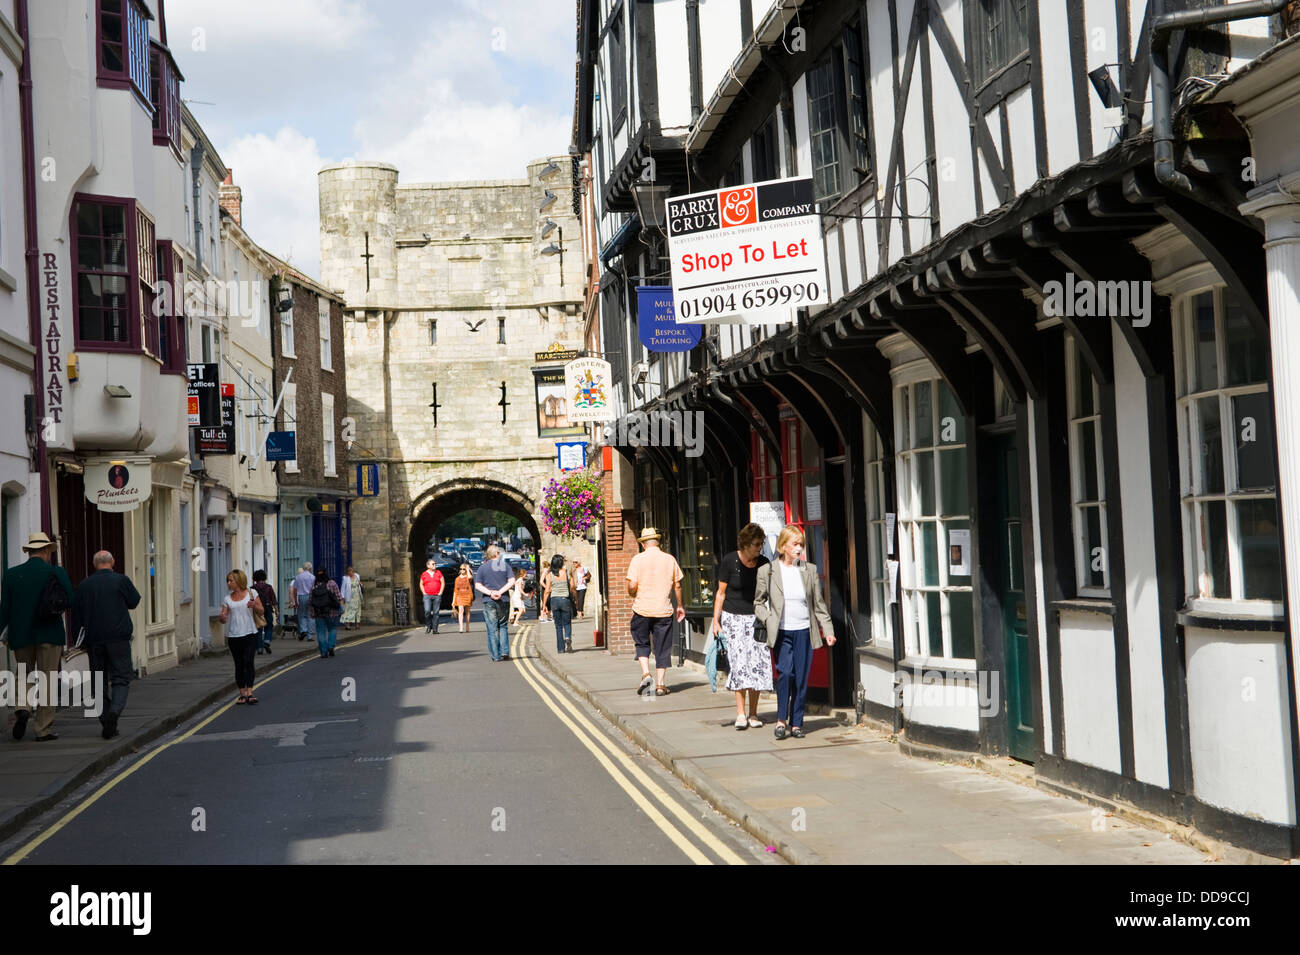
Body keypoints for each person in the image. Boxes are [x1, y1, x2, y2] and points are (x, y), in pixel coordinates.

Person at [753, 525, 835, 740]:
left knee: (800, 678)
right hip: (781, 632)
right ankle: (781, 719)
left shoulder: (808, 570)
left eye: (801, 545)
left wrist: (827, 630)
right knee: (785, 674)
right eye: (795, 544)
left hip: (804, 631)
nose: (799, 549)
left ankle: (796, 723)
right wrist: (769, 618)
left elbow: (818, 604)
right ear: (783, 546)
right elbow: (758, 602)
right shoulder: (767, 571)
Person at [0, 533, 74, 741]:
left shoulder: (12, 574)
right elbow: (70, 599)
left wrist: (2, 632)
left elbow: (4, 608)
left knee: (23, 674)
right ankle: (43, 729)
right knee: (48, 678)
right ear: (45, 551)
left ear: (29, 551)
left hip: (21, 634)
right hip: (50, 633)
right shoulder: (56, 572)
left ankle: (23, 708)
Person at [71, 551, 141, 739]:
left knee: (98, 682)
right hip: (118, 638)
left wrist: (80, 641)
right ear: (113, 562)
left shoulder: (84, 585)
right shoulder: (121, 580)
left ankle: (105, 717)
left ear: (95, 565)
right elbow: (134, 601)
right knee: (121, 677)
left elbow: (76, 616)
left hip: (94, 640)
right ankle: (114, 713)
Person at [711, 523, 773, 730]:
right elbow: (721, 593)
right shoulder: (730, 561)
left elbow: (770, 593)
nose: (760, 548)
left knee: (756, 665)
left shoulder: (764, 563)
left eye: (761, 544)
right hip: (733, 619)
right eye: (756, 544)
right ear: (746, 544)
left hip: (757, 620)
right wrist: (715, 620)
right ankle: (740, 713)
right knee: (739, 666)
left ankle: (754, 713)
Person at [625, 527, 685, 697]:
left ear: (643, 544)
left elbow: (631, 586)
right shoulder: (670, 559)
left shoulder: (637, 560)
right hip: (663, 611)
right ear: (657, 542)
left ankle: (646, 674)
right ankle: (660, 684)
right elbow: (678, 585)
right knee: (663, 647)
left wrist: (633, 591)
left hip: (642, 610)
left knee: (642, 643)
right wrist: (680, 605)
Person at [219, 570, 263, 704]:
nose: (228, 583)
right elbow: (223, 618)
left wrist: (254, 605)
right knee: (238, 664)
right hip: (233, 635)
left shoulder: (252, 593)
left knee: (248, 662)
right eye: (228, 580)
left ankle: (250, 692)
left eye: (231, 580)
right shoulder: (227, 599)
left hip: (249, 633)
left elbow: (261, 611)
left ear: (238, 581)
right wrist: (222, 617)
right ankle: (242, 693)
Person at [474, 545, 514, 662]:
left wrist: (491, 593)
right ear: (497, 554)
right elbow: (511, 581)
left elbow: (478, 585)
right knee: (503, 626)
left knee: (492, 629)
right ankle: (504, 651)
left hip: (489, 601)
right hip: (504, 600)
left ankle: (496, 656)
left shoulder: (482, 568)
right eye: (499, 553)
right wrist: (500, 592)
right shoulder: (505, 566)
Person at [540, 555, 573, 653]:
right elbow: (572, 586)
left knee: (558, 626)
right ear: (561, 563)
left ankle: (561, 649)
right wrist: (574, 598)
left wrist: (544, 605)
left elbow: (547, 591)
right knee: (567, 622)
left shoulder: (549, 575)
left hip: (554, 600)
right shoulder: (566, 573)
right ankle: (567, 637)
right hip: (565, 600)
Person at [308, 569, 343, 658]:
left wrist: (312, 613)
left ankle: (323, 652)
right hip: (332, 612)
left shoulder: (314, 585)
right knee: (332, 629)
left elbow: (311, 601)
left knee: (320, 632)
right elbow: (339, 597)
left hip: (319, 612)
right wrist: (341, 608)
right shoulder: (332, 583)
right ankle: (331, 646)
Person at [251, 569, 277, 654]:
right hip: (268, 608)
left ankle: (259, 648)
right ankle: (266, 642)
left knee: (258, 628)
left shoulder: (252, 588)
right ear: (264, 577)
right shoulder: (268, 587)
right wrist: (277, 611)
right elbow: (273, 600)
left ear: (255, 578)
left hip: (257, 610)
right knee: (269, 626)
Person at [420, 560, 444, 634]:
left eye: (435, 564)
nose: (435, 565)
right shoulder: (424, 574)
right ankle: (428, 625)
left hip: (437, 595)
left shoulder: (438, 573)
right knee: (427, 611)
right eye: (433, 564)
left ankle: (435, 629)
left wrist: (440, 593)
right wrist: (424, 593)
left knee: (436, 612)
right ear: (428, 566)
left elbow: (443, 582)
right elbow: (421, 584)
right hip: (427, 595)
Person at [292, 563, 315, 640]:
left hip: (301, 597)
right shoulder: (312, 577)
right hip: (311, 596)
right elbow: (314, 589)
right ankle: (310, 636)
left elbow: (295, 590)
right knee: (311, 615)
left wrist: (295, 600)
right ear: (310, 568)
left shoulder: (298, 577)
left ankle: (303, 630)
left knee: (302, 615)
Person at [451, 564, 473, 633]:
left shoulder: (468, 577)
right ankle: (461, 627)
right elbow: (455, 590)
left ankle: (467, 625)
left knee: (467, 612)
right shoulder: (457, 579)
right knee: (460, 610)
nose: (462, 570)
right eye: (461, 569)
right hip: (459, 596)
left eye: (464, 569)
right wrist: (453, 601)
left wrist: (467, 569)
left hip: (467, 595)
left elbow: (470, 577)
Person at [340, 566, 363, 630]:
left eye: (351, 571)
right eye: (348, 571)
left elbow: (360, 585)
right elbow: (343, 589)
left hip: (357, 597)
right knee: (348, 611)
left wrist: (360, 584)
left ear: (353, 571)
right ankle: (347, 625)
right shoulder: (345, 578)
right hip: (349, 597)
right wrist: (342, 598)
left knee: (357, 611)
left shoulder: (357, 576)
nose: (350, 572)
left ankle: (357, 625)